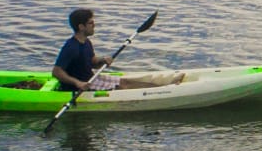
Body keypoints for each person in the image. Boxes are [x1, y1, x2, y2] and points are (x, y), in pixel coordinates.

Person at [52, 8, 181, 93]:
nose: (94, 25)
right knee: (123, 87)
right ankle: (166, 90)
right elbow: (56, 71)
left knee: (125, 82)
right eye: (91, 23)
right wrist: (77, 83)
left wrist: (102, 60)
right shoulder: (70, 47)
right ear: (81, 27)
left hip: (91, 78)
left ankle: (165, 88)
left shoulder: (86, 42)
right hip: (79, 87)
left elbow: (91, 62)